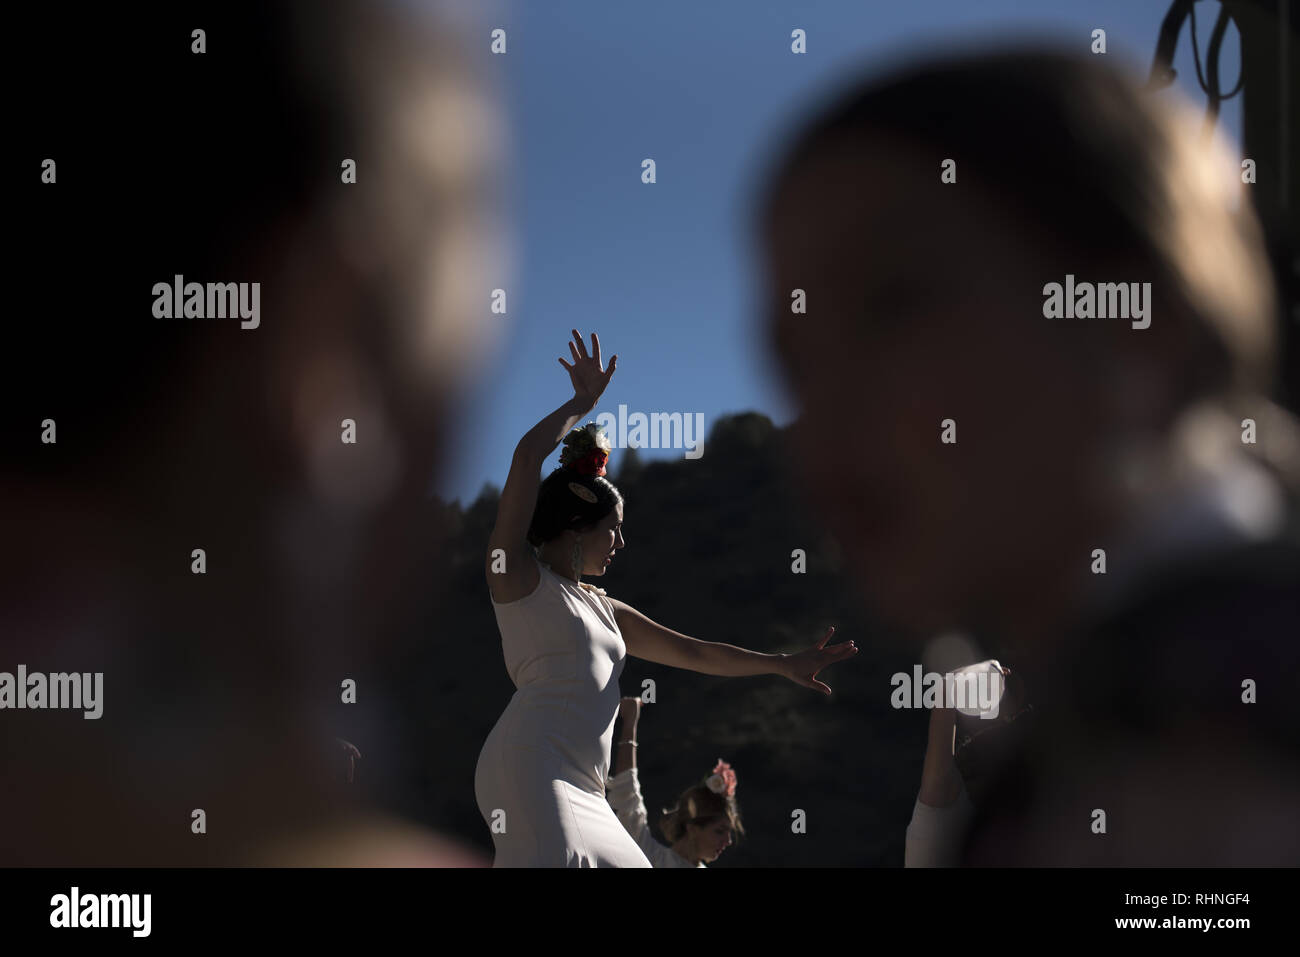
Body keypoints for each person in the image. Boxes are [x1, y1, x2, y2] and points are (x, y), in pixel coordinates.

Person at [754, 46, 1300, 864]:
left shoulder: (1220, 746)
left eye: (895, 305)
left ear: (1137, 321)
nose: (821, 420)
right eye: (794, 363)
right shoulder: (1083, 727)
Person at [475, 330, 858, 866]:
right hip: (531, 765)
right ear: (579, 528)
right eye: (614, 529)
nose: (622, 543)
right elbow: (524, 460)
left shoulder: (607, 609)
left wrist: (783, 664)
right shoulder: (517, 579)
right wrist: (581, 405)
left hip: (588, 788)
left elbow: (697, 652)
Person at [607, 696, 741, 868]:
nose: (728, 841)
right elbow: (627, 793)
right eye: (720, 831)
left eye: (728, 832)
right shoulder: (650, 856)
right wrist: (630, 722)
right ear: (692, 827)